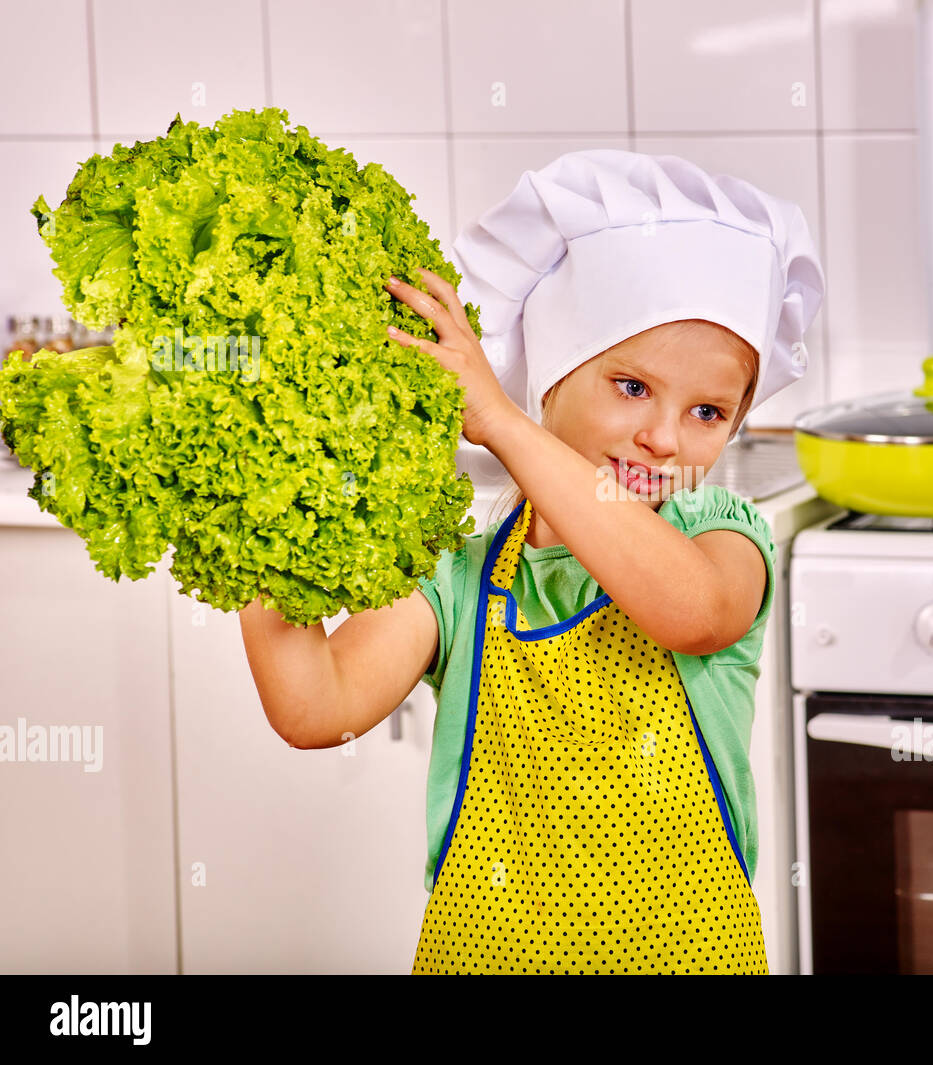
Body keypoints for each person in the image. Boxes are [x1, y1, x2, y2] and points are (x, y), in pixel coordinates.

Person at [241, 149, 824, 975]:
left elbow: (688, 610)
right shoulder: (458, 573)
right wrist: (250, 509)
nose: (664, 437)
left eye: (708, 411)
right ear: (550, 377)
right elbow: (315, 708)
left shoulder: (724, 537)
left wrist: (505, 427)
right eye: (631, 387)